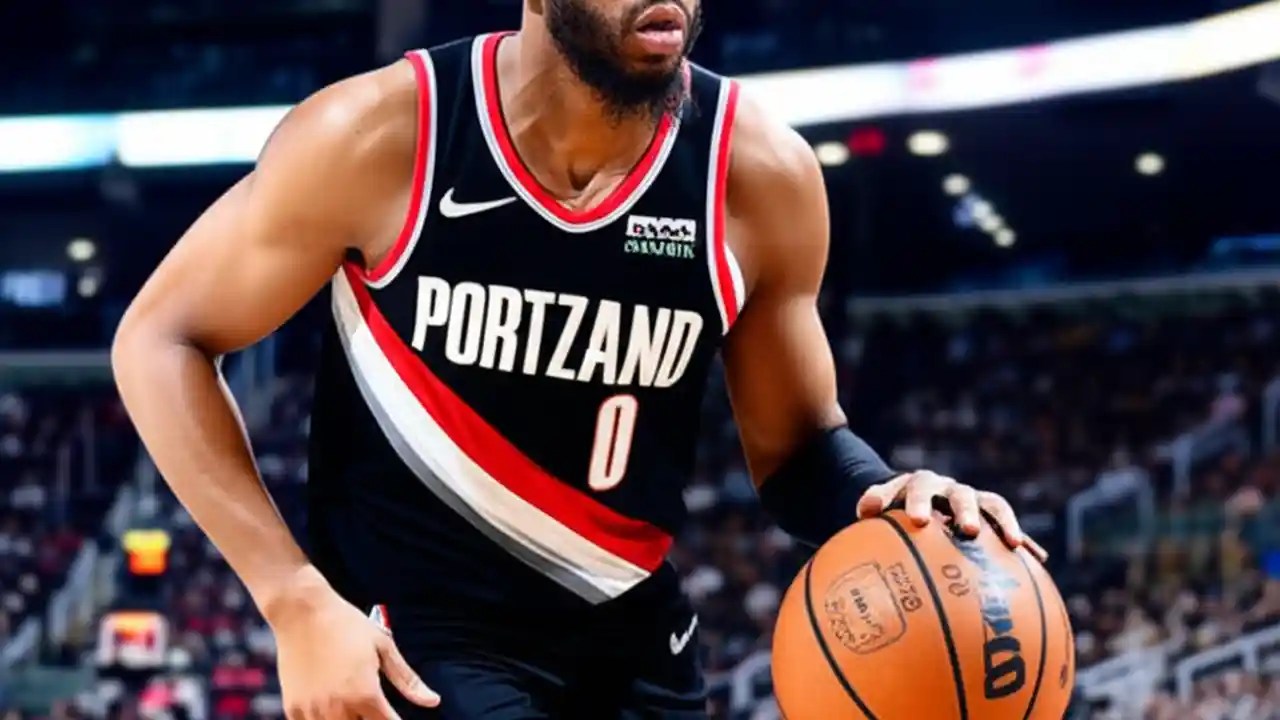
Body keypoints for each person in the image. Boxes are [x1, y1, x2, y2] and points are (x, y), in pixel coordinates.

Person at [112, 1, 1047, 718]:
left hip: (631, 644)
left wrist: (884, 493)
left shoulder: (757, 173)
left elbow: (798, 450)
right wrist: (292, 599)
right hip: (418, 644)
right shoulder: (383, 135)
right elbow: (161, 338)